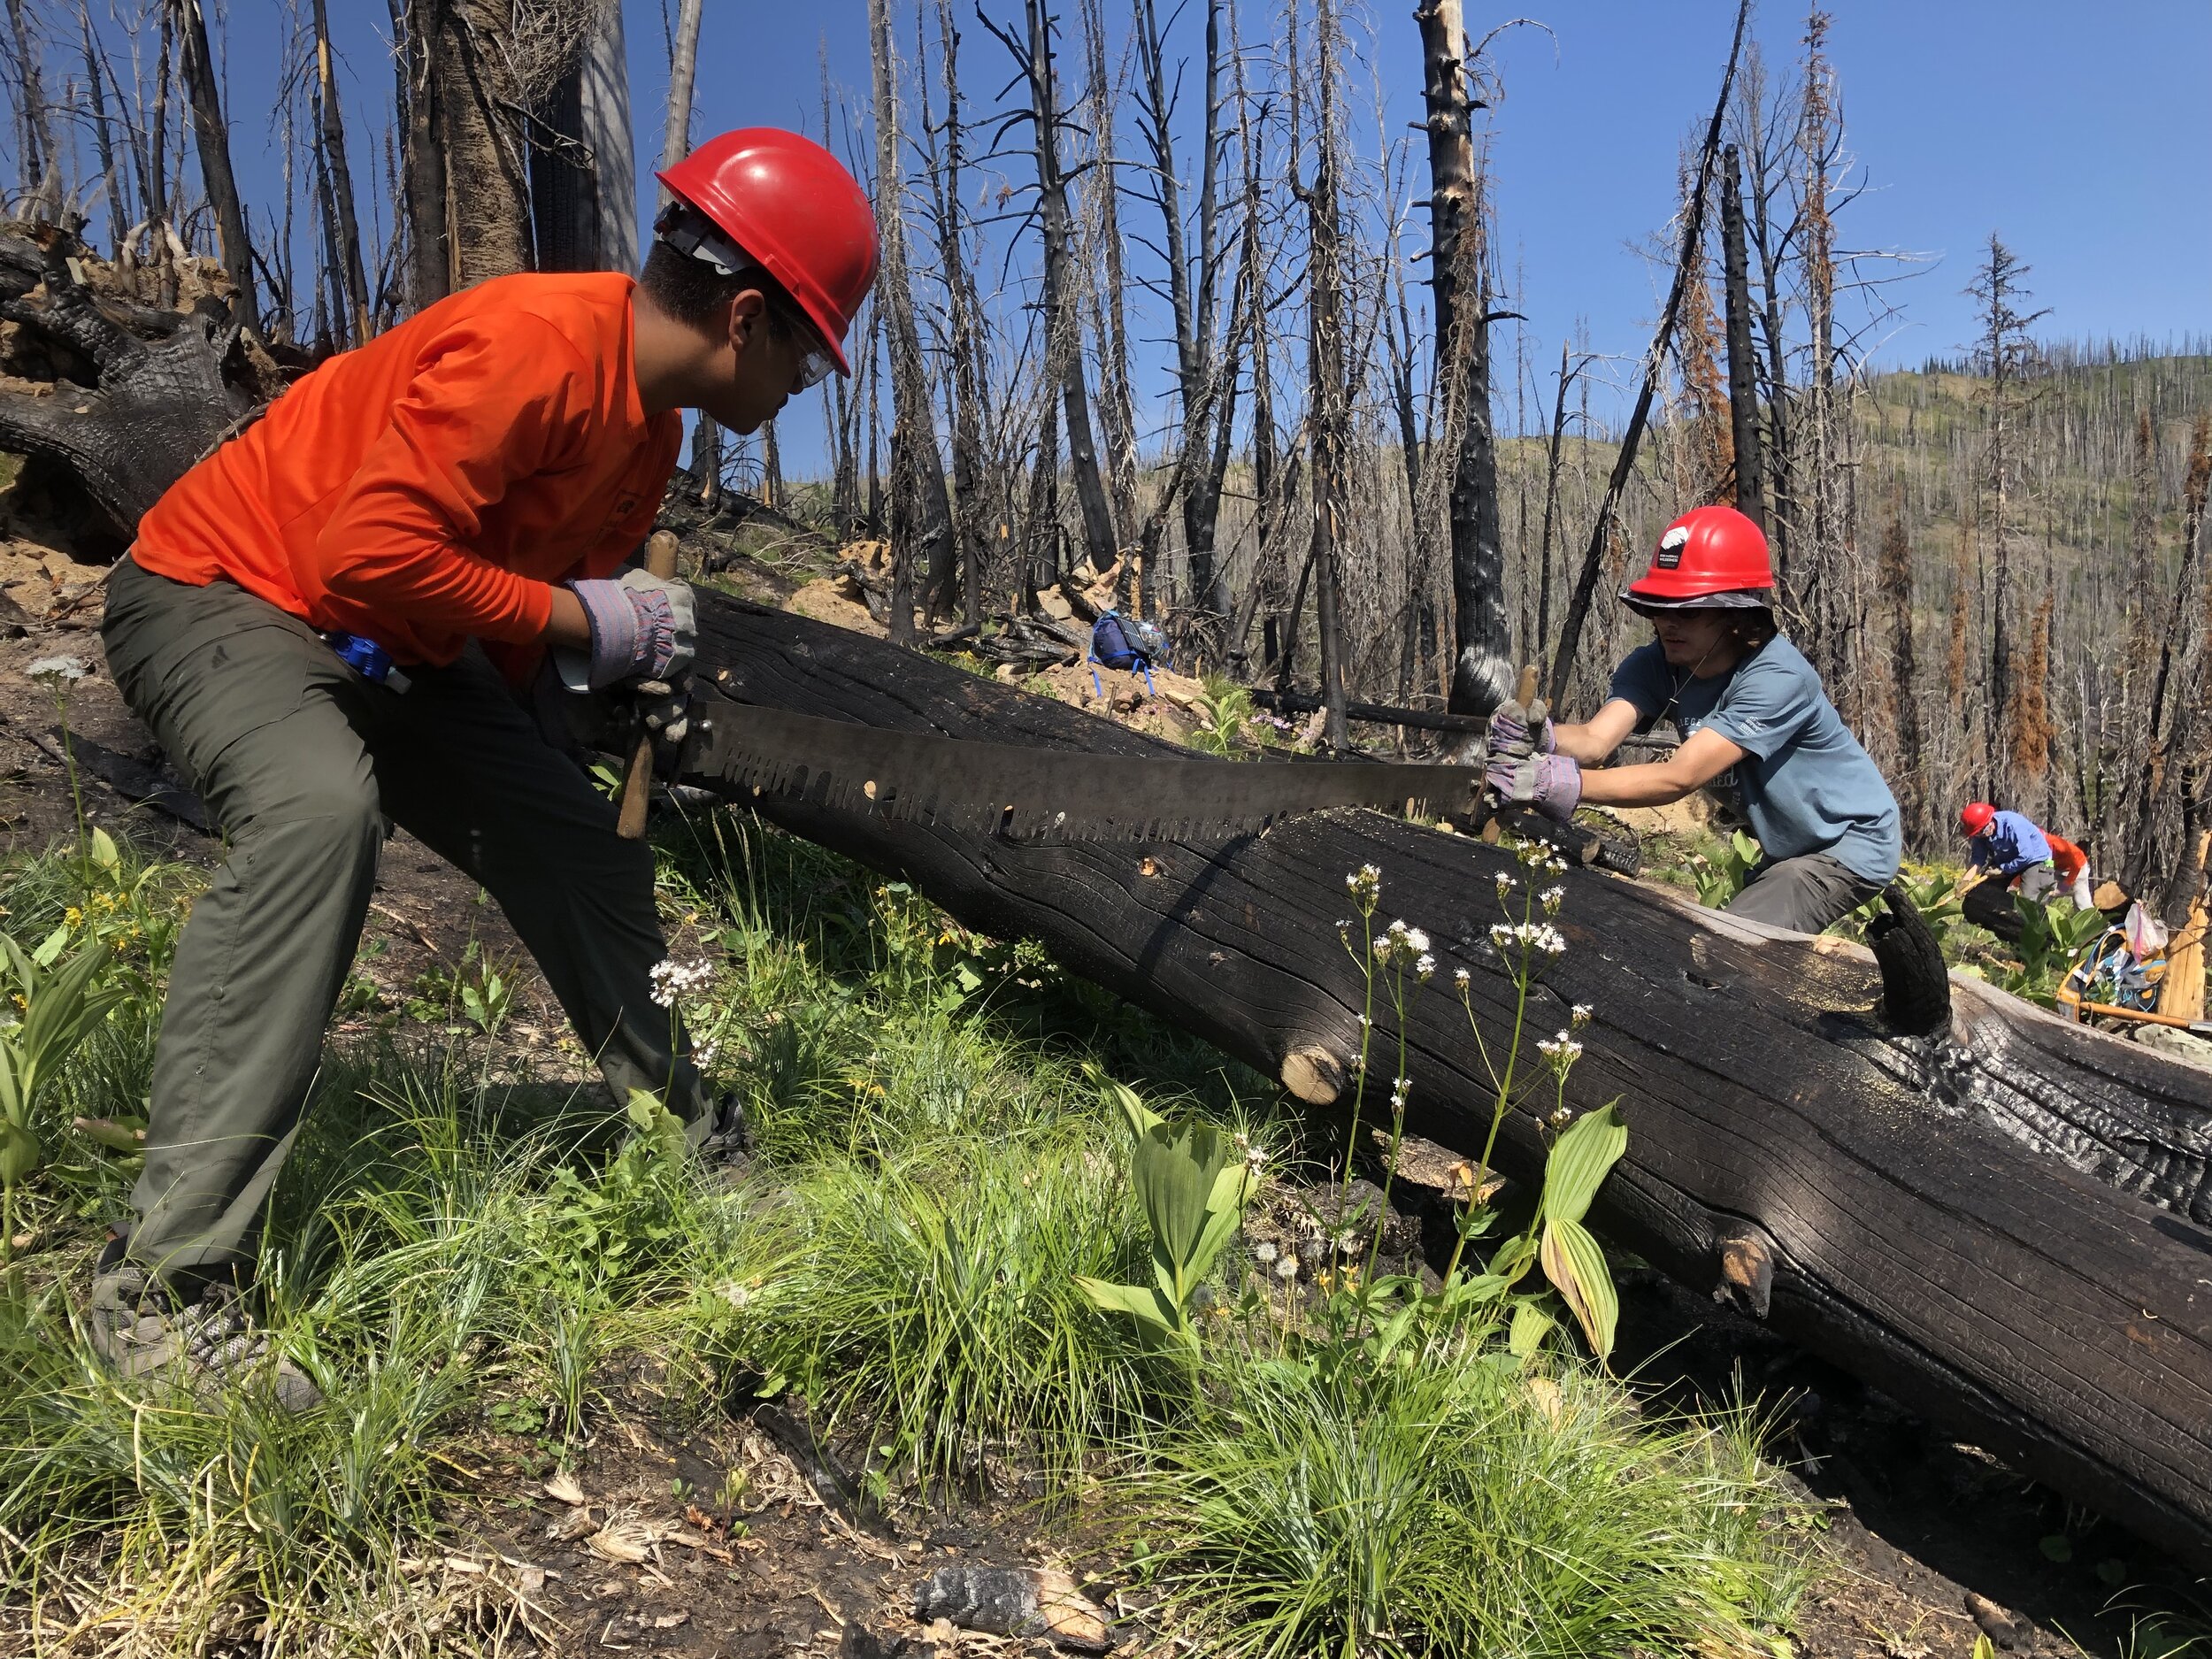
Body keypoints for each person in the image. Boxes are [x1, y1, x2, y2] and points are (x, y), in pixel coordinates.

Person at [86, 128, 879, 1405]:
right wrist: (589, 621)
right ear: (744, 316)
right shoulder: (533, 346)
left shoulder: (652, 437)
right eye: (806, 352)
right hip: (223, 588)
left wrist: (605, 695)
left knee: (575, 840)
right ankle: (160, 1290)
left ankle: (692, 1139)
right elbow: (363, 555)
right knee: (316, 812)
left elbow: (510, 620)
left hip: (397, 634)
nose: (802, 383)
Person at [1487, 504, 1901, 934]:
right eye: (1659, 607)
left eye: (1687, 610)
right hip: (1789, 847)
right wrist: (1542, 735)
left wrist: (1554, 782)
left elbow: (1679, 777)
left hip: (1849, 841)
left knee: (1734, 947)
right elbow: (1595, 740)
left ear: (1736, 614)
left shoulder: (1778, 677)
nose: (1668, 622)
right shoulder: (1659, 663)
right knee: (1737, 949)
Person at [1958, 802, 2081, 932]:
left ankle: (2039, 934)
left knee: (2030, 904)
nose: (1980, 836)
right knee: (1982, 891)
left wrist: (2003, 870)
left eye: (1982, 831)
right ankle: (1987, 921)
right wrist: (1966, 881)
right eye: (1977, 834)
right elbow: (1978, 858)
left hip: (2036, 860)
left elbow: (2026, 855)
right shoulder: (1979, 832)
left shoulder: (2013, 824)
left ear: (1990, 822)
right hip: (2007, 859)